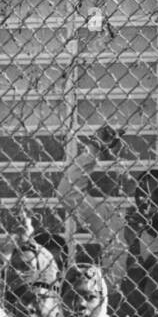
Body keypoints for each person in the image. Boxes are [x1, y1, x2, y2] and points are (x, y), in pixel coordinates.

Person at [56, 124, 129, 290]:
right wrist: (94, 147)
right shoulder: (115, 223)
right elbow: (68, 192)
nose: (148, 200)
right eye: (142, 191)